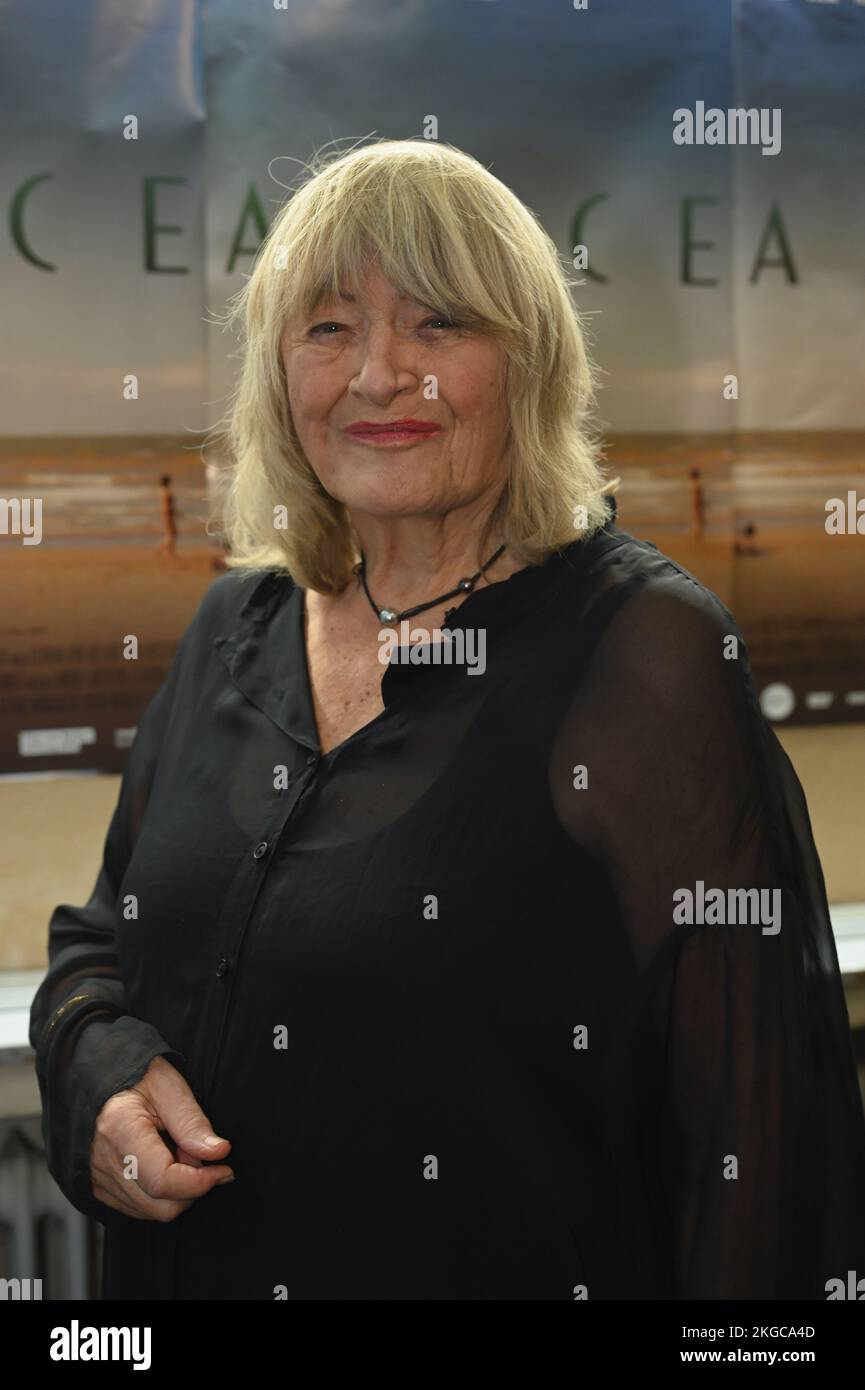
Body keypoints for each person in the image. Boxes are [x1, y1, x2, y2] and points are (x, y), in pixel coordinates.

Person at [30, 139, 865, 1300]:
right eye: (326, 328)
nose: (378, 374)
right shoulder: (235, 626)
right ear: (278, 378)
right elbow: (99, 945)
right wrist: (101, 1078)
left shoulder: (642, 657)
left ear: (529, 366)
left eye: (437, 325)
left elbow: (755, 1140)